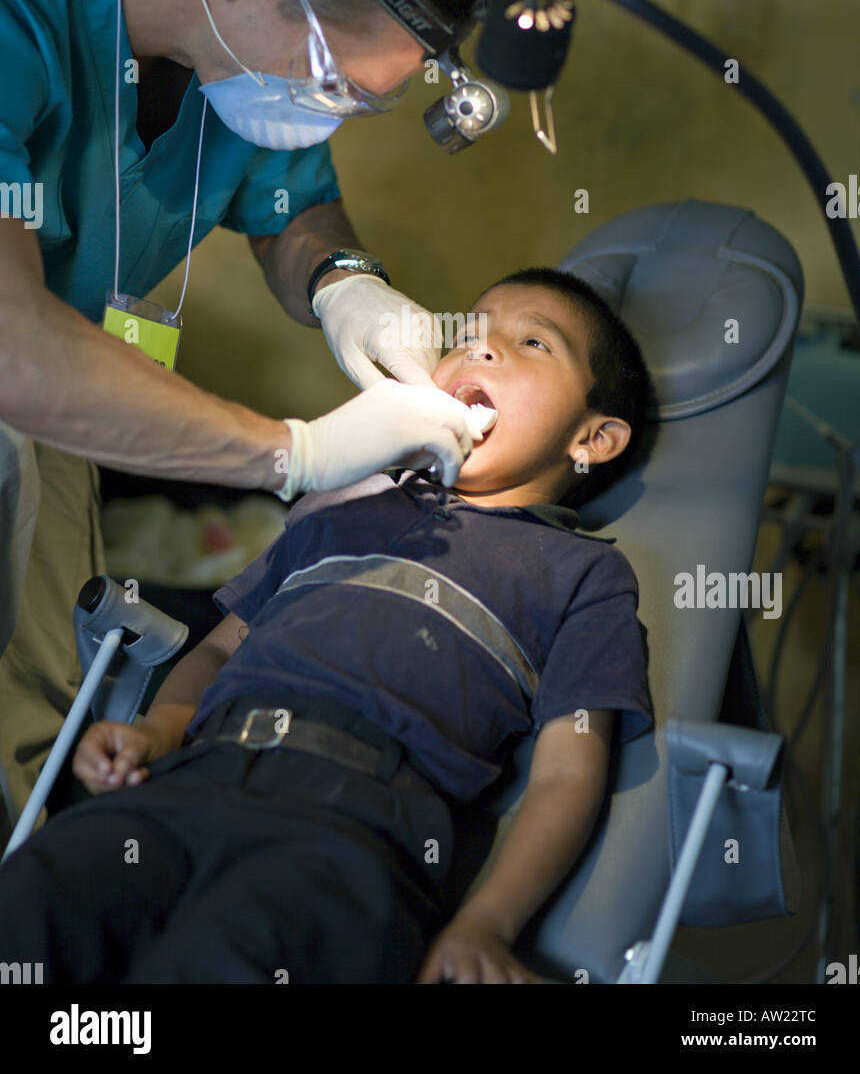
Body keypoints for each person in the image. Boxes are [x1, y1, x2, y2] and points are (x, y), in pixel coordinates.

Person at [0, 0, 502, 839]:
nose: (326, 117)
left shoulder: (234, 21)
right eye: (329, 85)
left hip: (46, 400)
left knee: (37, 739)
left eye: (357, 104)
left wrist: (345, 283)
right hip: (21, 376)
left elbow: (292, 203)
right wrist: (296, 451)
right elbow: (13, 347)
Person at [0, 268, 654, 983]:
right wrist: (159, 731)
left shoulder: (581, 574)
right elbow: (221, 649)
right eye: (467, 333)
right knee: (34, 902)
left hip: (353, 837)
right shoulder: (343, 503)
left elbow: (567, 772)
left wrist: (486, 925)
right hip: (185, 781)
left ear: (595, 437)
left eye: (532, 341)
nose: (482, 348)